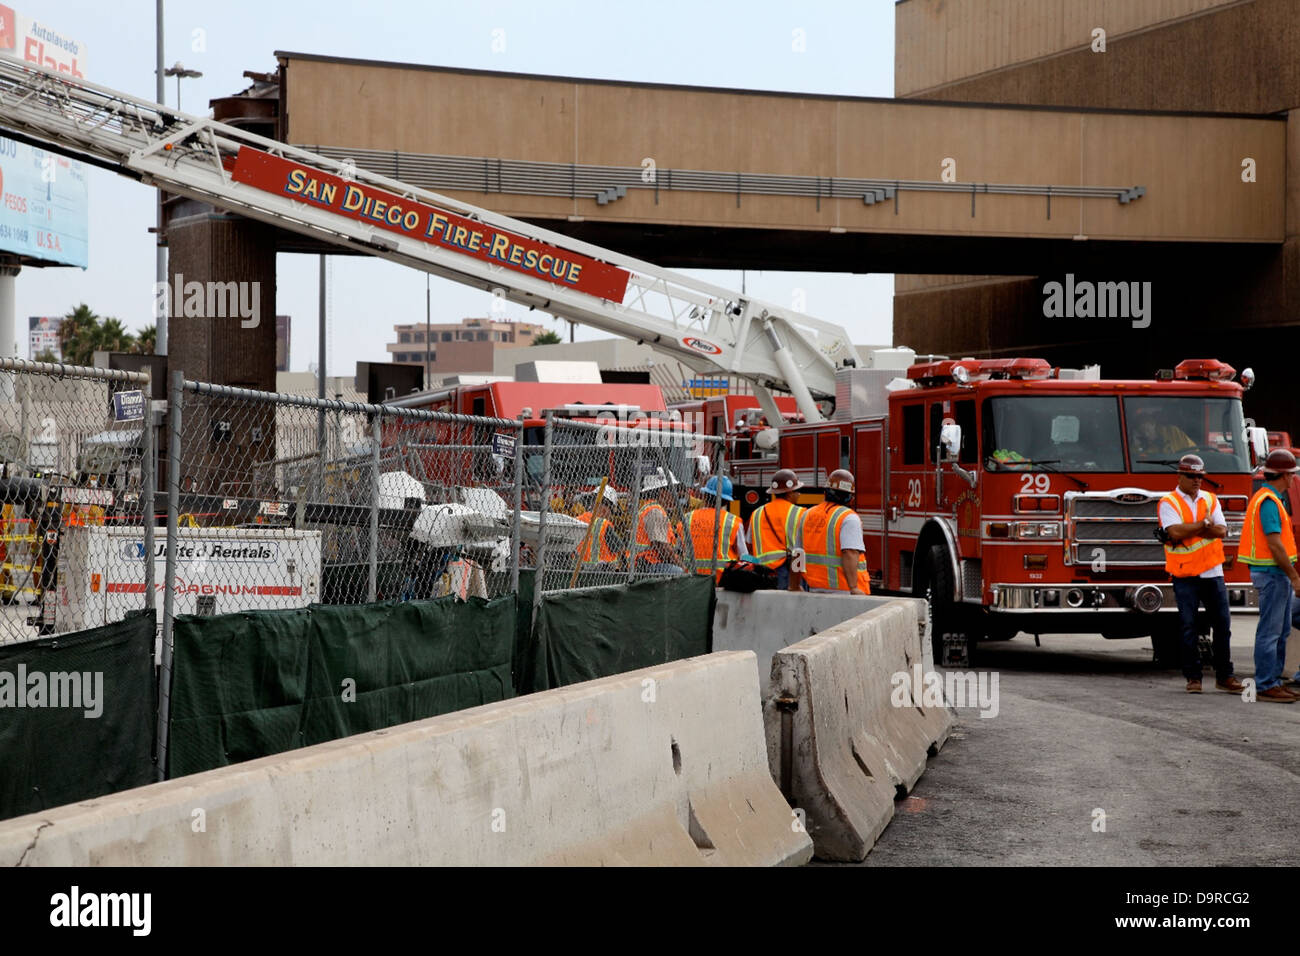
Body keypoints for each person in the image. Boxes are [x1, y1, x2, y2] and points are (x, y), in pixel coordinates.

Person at [1157, 454, 1244, 694]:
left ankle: (1225, 676)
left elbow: (1222, 530)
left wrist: (1194, 529)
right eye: (1192, 476)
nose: (1197, 480)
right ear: (1180, 476)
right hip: (1185, 574)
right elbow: (1174, 532)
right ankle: (1193, 677)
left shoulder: (1210, 499)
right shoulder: (1169, 502)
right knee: (1188, 626)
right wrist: (1204, 525)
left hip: (1213, 572)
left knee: (1222, 626)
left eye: (1200, 476)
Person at [1239, 448, 1300, 702]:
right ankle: (1265, 684)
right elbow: (1275, 544)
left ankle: (1272, 681)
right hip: (1273, 574)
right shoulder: (1268, 501)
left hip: (1275, 575)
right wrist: (1294, 576)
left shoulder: (1269, 498)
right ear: (1284, 476)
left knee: (1281, 630)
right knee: (1271, 631)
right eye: (1291, 475)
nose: (1293, 479)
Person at [793, 468, 871, 594]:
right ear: (850, 497)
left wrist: (794, 584)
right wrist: (853, 588)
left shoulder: (807, 515)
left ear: (825, 492)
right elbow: (849, 552)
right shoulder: (849, 518)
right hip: (845, 591)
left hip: (816, 590)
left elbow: (797, 553)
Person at [747, 468, 806, 591]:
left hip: (761, 572)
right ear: (789, 493)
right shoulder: (800, 513)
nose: (799, 494)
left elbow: (750, 547)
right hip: (787, 571)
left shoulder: (756, 513)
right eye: (797, 490)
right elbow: (803, 548)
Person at [685, 475, 749, 580]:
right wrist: (757, 561)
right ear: (726, 501)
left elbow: (678, 547)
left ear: (705, 496)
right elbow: (744, 556)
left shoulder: (688, 517)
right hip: (722, 579)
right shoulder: (733, 521)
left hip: (692, 578)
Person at [632, 468, 682, 576]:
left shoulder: (649, 507)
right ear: (663, 492)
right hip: (649, 565)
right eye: (672, 490)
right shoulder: (655, 511)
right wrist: (683, 567)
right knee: (681, 574)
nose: (675, 494)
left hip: (644, 564)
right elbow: (663, 548)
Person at [574, 485, 621, 571]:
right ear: (606, 508)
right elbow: (619, 549)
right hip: (604, 573)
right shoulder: (604, 524)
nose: (610, 515)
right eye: (611, 511)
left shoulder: (577, 520)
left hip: (577, 571)